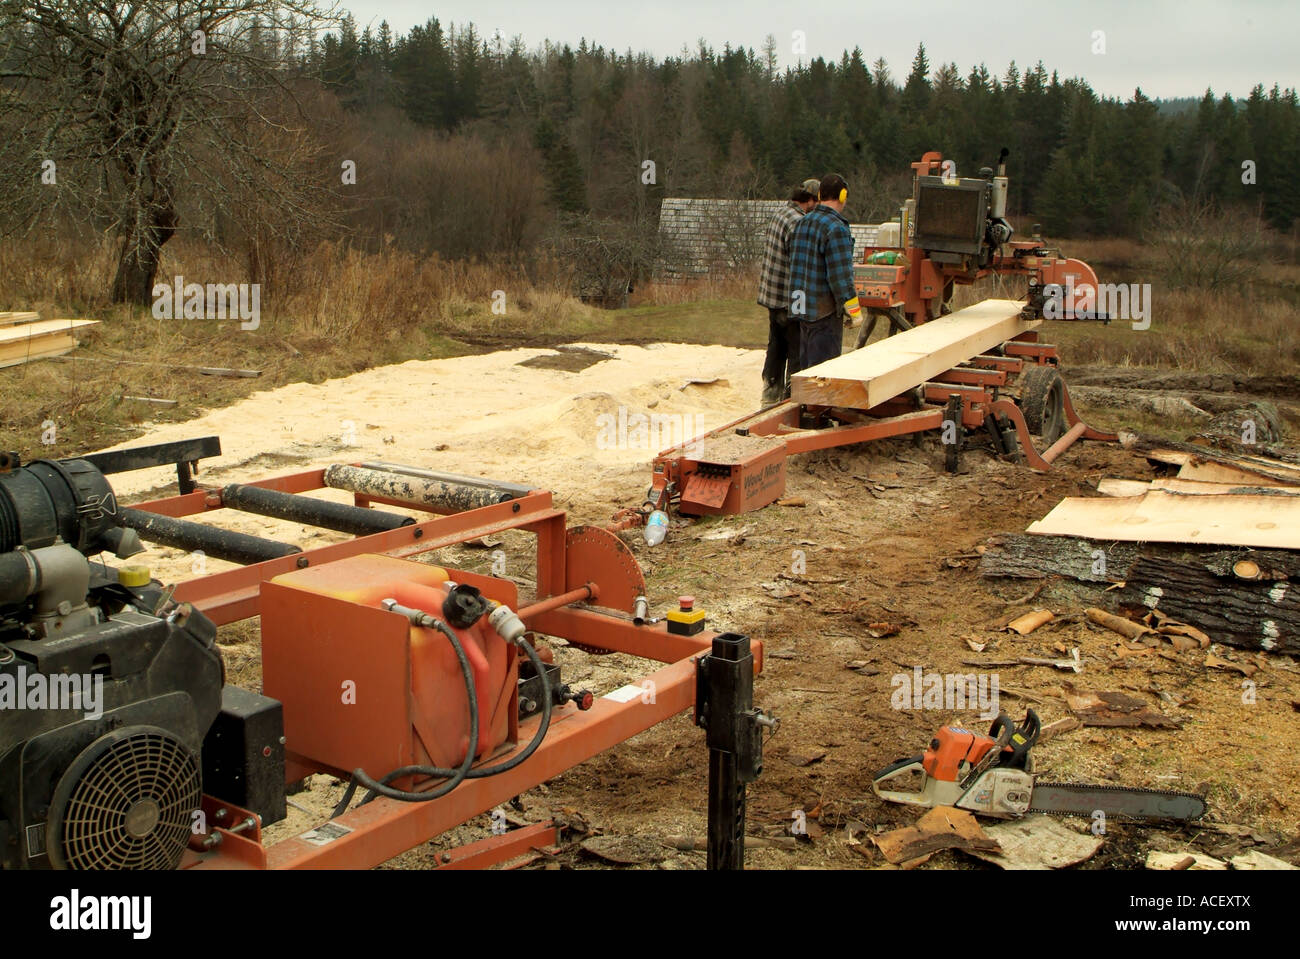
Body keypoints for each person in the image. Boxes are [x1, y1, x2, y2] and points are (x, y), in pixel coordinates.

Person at [787, 173, 862, 373]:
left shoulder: (802, 222)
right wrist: (854, 312)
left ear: (820, 195)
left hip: (801, 306)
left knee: (804, 371)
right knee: (823, 375)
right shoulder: (836, 228)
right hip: (824, 313)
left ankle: (803, 404)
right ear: (843, 196)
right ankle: (816, 405)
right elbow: (840, 277)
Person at [756, 178, 819, 406]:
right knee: (796, 350)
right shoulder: (798, 223)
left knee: (776, 346)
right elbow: (799, 265)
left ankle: (770, 395)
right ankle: (792, 401)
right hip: (788, 299)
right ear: (810, 200)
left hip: (772, 297)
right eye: (816, 202)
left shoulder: (780, 214)